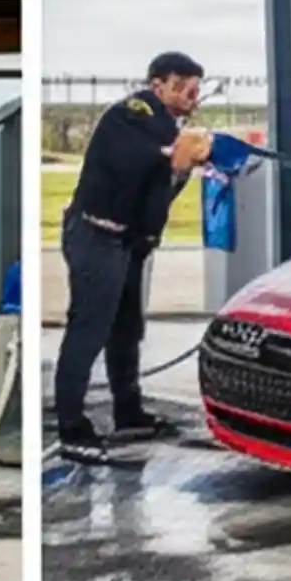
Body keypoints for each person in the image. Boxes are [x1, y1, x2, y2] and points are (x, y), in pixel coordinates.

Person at [53, 51, 214, 463]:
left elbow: (156, 191)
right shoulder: (134, 112)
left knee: (126, 328)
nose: (189, 96)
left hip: (126, 241)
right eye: (180, 87)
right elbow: (139, 161)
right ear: (157, 84)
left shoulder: (163, 127)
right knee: (89, 329)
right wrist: (175, 153)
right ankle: (72, 427)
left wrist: (181, 167)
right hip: (96, 234)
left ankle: (129, 412)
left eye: (194, 89)